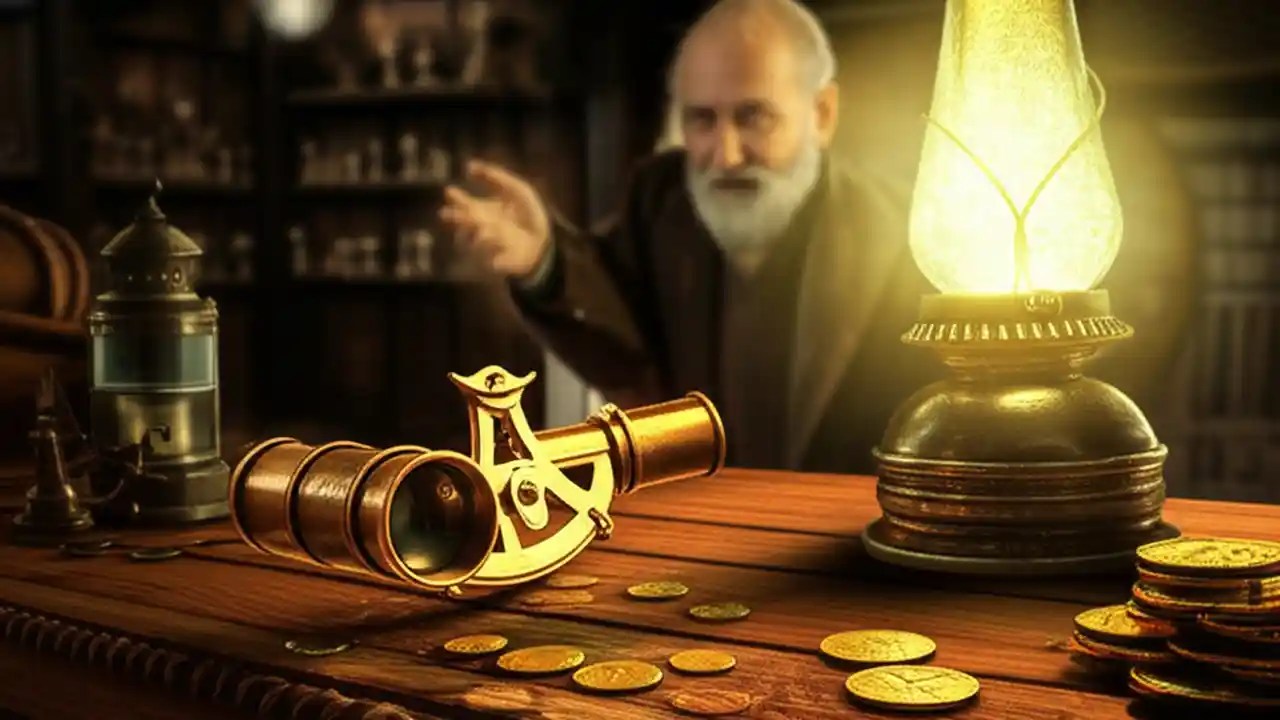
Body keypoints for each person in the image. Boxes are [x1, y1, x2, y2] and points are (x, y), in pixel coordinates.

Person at [439, 0, 937, 474]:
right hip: (698, 519)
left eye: (754, 117)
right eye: (702, 120)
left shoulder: (911, 234)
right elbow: (617, 330)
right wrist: (544, 260)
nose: (725, 155)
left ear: (822, 114)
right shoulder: (661, 198)